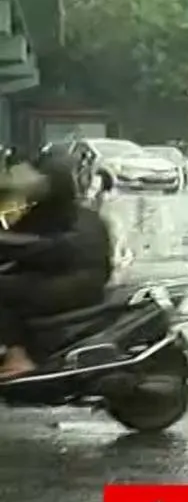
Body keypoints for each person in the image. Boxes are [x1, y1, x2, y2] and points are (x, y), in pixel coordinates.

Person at [0, 146, 113, 378]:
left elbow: (29, 245)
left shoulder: (70, 218)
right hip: (68, 276)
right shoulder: (59, 211)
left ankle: (18, 358)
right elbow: (17, 235)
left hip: (75, 283)